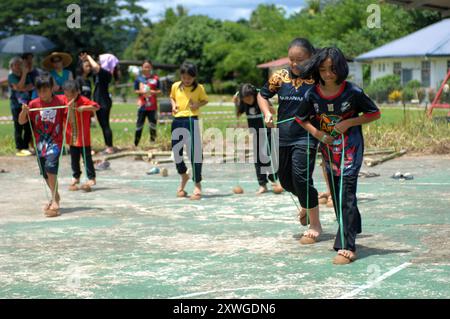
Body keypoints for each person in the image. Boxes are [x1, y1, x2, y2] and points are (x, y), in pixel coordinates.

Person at [296, 47, 381, 264]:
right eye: (323, 69)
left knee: (347, 193)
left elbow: (374, 113)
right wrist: (317, 134)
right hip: (328, 151)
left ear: (341, 68)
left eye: (332, 69)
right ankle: (351, 228)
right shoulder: (312, 94)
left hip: (350, 150)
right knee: (337, 193)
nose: (328, 74)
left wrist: (349, 122)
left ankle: (347, 245)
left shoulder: (353, 92)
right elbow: (301, 118)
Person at [258, 38, 322, 244]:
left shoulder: (319, 78)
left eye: (300, 60)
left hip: (307, 136)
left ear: (311, 58)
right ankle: (307, 201)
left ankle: (315, 224)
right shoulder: (281, 76)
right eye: (291, 59)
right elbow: (262, 95)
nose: (294, 64)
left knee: (301, 177)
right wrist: (267, 112)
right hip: (283, 136)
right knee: (285, 181)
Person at [18, 75, 69, 218]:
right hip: (40, 143)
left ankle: (54, 200)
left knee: (51, 167)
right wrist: (24, 111)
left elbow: (70, 118)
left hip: (56, 141)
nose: (43, 94)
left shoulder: (61, 101)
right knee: (45, 172)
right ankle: (56, 195)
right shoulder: (33, 104)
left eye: (46, 90)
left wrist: (70, 108)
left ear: (52, 88)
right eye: (40, 91)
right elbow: (21, 121)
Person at [170, 62, 208, 200]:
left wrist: (197, 104)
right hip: (177, 121)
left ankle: (197, 184)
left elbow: (205, 100)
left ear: (194, 77)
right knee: (176, 151)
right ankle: (184, 175)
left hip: (192, 120)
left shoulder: (199, 88)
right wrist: (173, 106)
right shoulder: (175, 86)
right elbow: (172, 97)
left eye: (189, 78)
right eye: (184, 77)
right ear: (181, 76)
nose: (187, 80)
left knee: (195, 153)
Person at [234, 83, 281, 194]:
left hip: (268, 132)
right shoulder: (244, 105)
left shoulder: (261, 101)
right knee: (258, 160)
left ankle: (273, 179)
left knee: (270, 156)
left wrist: (267, 105)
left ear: (254, 95)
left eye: (249, 97)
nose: (248, 100)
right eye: (244, 98)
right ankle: (262, 184)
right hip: (256, 134)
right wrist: (236, 103)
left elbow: (273, 112)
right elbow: (237, 115)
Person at [63, 80, 99, 191]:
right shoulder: (63, 100)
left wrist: (85, 108)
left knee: (86, 158)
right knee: (74, 158)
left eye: (72, 95)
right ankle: (76, 176)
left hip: (84, 137)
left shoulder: (84, 100)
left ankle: (91, 178)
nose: (69, 97)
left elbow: (96, 107)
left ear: (78, 92)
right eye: (67, 95)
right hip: (71, 136)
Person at [79, 53, 114, 154]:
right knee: (103, 125)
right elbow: (87, 70)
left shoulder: (106, 73)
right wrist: (83, 61)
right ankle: (108, 146)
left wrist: (89, 57)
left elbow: (96, 67)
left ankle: (109, 147)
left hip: (104, 102)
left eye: (100, 61)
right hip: (99, 102)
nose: (98, 62)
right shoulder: (98, 74)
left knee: (105, 124)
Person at [8, 56, 33, 156]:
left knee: (28, 127)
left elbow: (31, 86)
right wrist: (24, 75)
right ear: (12, 66)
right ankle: (19, 148)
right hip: (16, 105)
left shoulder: (26, 76)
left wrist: (21, 87)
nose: (18, 66)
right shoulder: (11, 76)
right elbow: (19, 87)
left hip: (26, 105)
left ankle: (26, 147)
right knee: (18, 126)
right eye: (16, 64)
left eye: (20, 64)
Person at [134, 60, 161, 146]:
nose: (147, 68)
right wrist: (141, 91)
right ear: (142, 68)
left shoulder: (156, 78)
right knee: (139, 124)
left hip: (153, 106)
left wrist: (153, 92)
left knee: (153, 125)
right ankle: (136, 144)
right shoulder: (138, 79)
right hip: (142, 106)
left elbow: (160, 91)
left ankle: (152, 143)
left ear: (151, 67)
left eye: (148, 66)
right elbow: (135, 90)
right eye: (145, 66)